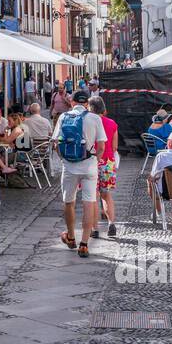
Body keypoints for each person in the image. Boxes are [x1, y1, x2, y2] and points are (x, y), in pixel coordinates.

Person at [56, 90, 108, 255]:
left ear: (71, 102)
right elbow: (101, 147)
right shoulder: (95, 118)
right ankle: (84, 243)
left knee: (69, 202)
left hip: (69, 166)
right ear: (87, 103)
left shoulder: (63, 117)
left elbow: (57, 144)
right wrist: (95, 160)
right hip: (89, 165)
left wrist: (65, 159)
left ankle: (71, 237)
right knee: (89, 202)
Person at [89, 95, 119, 237]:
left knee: (93, 197)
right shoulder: (112, 123)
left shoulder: (88, 122)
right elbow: (114, 147)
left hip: (91, 161)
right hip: (107, 162)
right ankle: (111, 224)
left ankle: (94, 229)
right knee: (106, 196)